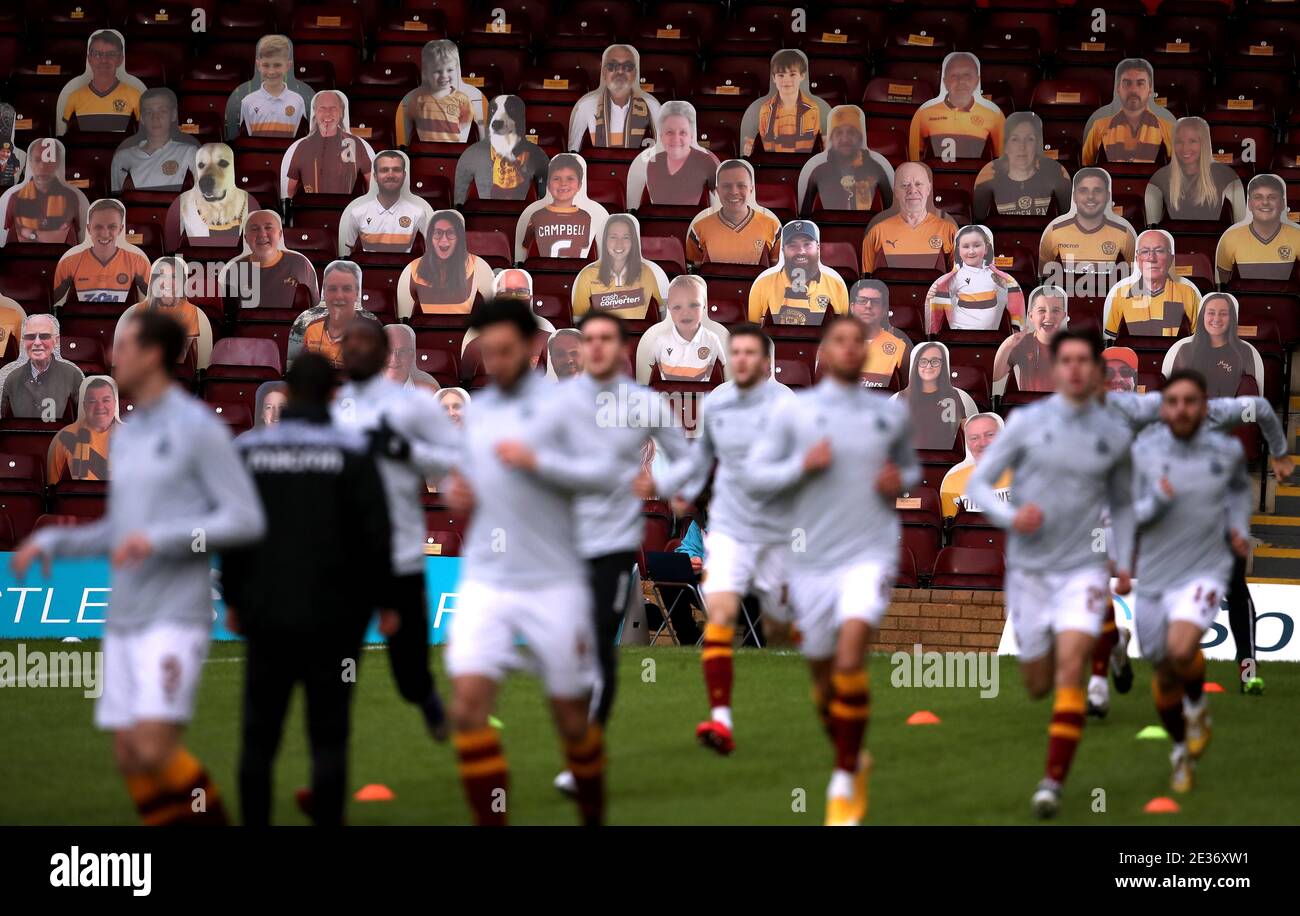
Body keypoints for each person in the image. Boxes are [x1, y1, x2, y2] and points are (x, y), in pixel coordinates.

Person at [9, 310, 266, 825]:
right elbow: (121, 530)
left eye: (123, 346)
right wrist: (55, 540)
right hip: (126, 611)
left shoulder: (198, 429)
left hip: (175, 613)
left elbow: (245, 519)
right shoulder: (130, 435)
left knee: (154, 747)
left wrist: (162, 538)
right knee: (130, 754)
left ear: (150, 355)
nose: (112, 356)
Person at [441, 297, 624, 826]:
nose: (493, 363)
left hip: (553, 580)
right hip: (486, 579)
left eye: (503, 352)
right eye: (487, 353)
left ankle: (592, 810)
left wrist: (539, 462)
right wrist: (463, 493)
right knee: (468, 707)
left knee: (570, 718)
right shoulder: (481, 412)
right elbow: (474, 484)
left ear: (530, 349)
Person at [743, 315, 919, 826]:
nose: (847, 349)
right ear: (823, 351)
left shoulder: (890, 414)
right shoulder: (796, 415)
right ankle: (851, 751)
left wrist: (897, 478)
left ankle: (844, 777)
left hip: (869, 550)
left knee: (848, 659)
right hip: (813, 555)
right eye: (837, 341)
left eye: (855, 342)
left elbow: (909, 468)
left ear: (865, 352)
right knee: (822, 674)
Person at [966, 329, 1136, 819]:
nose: (1078, 369)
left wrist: (1123, 563)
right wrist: (1011, 515)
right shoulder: (1024, 424)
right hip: (1029, 569)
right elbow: (979, 481)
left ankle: (1052, 782)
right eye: (1069, 361)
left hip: (1083, 566)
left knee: (1068, 674)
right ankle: (1115, 640)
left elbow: (1123, 504)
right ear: (1057, 370)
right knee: (1037, 681)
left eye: (1087, 361)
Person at [225, 353, 394, 826]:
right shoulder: (354, 454)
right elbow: (376, 536)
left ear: (289, 395)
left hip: (267, 615)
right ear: (334, 396)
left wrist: (235, 599)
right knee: (329, 735)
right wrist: (384, 602)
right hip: (336, 621)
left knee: (259, 736)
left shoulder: (250, 453)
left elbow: (234, 534)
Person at [549, 311, 691, 798]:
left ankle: (585, 754)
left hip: (610, 543)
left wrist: (658, 481)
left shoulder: (644, 405)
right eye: (588, 339)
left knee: (594, 642)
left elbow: (687, 461)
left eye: (605, 339)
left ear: (621, 347)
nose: (596, 347)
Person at [655, 324, 796, 756]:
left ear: (768, 362)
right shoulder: (718, 401)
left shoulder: (787, 404)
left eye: (751, 353)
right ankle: (721, 718)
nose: (742, 361)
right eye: (735, 353)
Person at [333, 320, 459, 744]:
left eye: (367, 345)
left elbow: (454, 457)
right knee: (336, 667)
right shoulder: (338, 409)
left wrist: (406, 451)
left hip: (401, 551)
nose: (358, 352)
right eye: (351, 344)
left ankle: (428, 702)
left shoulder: (417, 406)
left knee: (409, 668)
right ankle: (328, 760)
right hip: (349, 554)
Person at [1131, 369, 1251, 792]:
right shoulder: (1143, 452)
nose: (1181, 409)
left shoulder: (1227, 452)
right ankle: (1182, 749)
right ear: (1164, 409)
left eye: (1191, 401)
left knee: (1182, 647)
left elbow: (1238, 493)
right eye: (1174, 401)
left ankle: (1197, 705)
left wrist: (1238, 528)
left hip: (1203, 568)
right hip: (1153, 573)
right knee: (1163, 670)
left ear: (1206, 408)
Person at [1038, 168, 1137, 280]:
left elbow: (1133, 279)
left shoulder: (1124, 234)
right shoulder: (1054, 232)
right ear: (1074, 196)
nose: (1090, 196)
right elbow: (1042, 278)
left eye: (1097, 190)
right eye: (1084, 190)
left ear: (1108, 196)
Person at [1145, 117, 1246, 224]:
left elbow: (1239, 228)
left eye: (1192, 141)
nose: (1185, 148)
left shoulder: (1227, 176)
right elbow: (1152, 230)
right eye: (1179, 142)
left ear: (1204, 144)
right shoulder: (1159, 178)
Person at [860, 162, 958, 273]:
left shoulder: (949, 231)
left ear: (929, 189)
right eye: (905, 185)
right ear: (896, 191)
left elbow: (959, 283)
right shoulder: (876, 233)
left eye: (918, 184)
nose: (912, 190)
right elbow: (867, 284)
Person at [1103, 229, 1201, 340]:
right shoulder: (1121, 294)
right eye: (1145, 251)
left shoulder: (1188, 294)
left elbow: (1198, 343)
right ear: (1137, 259)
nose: (1151, 258)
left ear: (1171, 258)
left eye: (1159, 251)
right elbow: (1112, 344)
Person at [925, 224, 1024, 333]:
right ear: (958, 250)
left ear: (986, 248)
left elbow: (1011, 298)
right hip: (961, 332)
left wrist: (1008, 284)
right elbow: (941, 295)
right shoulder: (956, 276)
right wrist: (933, 294)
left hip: (991, 332)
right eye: (966, 246)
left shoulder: (996, 275)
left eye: (976, 245)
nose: (971, 251)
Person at [908, 52, 1005, 162]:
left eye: (967, 75)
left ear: (977, 81)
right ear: (945, 81)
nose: (961, 81)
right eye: (954, 76)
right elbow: (915, 163)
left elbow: (1002, 163)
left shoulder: (995, 115)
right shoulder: (923, 113)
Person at [51, 199, 150, 306]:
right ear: (89, 229)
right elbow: (48, 304)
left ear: (121, 229)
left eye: (112, 227)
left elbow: (157, 302)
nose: (105, 234)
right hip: (85, 322)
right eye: (98, 227)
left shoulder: (138, 262)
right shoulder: (68, 263)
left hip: (123, 322)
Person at [972, 112, 1071, 220]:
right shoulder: (986, 185)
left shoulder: (1058, 180)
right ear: (1005, 146)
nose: (1022, 147)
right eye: (1015, 139)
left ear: (1037, 145)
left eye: (1030, 139)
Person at [749, 220, 849, 325]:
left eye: (807, 244)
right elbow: (753, 336)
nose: (801, 251)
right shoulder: (761, 285)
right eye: (793, 245)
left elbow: (843, 335)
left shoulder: (837, 286)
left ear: (818, 248)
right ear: (783, 250)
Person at [797, 105, 893, 214]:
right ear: (831, 139)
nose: (845, 138)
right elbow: (806, 217)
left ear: (860, 137)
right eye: (838, 132)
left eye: (851, 132)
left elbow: (889, 215)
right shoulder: (819, 172)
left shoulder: (876, 169)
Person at [454, 94, 550, 204]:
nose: (498, 118)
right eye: (494, 109)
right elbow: (459, 205)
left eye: (511, 109)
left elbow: (544, 203)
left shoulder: (538, 155)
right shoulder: (470, 155)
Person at [685, 159, 780, 267]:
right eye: (727, 186)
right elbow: (695, 274)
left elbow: (775, 273)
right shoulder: (698, 229)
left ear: (751, 189)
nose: (734, 192)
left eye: (741, 185)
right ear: (718, 191)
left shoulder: (773, 227)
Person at [571, 214, 667, 320]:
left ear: (633, 241)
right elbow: (579, 322)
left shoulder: (646, 272)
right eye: (613, 237)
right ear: (605, 240)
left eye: (626, 237)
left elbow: (661, 317)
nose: (619, 244)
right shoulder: (587, 275)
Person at [1166, 293, 1262, 398]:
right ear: (1202, 316)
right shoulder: (1185, 350)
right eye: (1211, 313)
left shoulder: (1244, 351)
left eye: (1223, 313)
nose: (1216, 319)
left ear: (1232, 318)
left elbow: (1250, 396)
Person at [515, 154, 608, 261]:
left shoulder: (585, 217)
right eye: (556, 178)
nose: (563, 183)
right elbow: (526, 250)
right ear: (548, 185)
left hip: (574, 273)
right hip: (544, 273)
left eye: (570, 178)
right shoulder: (536, 216)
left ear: (579, 185)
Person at [568, 44, 661, 151]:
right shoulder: (585, 106)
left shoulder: (652, 106)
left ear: (635, 73)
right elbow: (573, 155)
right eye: (612, 66)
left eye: (627, 67)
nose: (620, 72)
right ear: (603, 72)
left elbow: (661, 154)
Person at [625, 101, 719, 208]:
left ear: (691, 136)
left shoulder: (707, 161)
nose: (676, 139)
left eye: (683, 132)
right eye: (669, 132)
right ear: (661, 136)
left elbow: (719, 205)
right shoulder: (652, 163)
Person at [339, 150, 433, 255]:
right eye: (384, 170)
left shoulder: (418, 213)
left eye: (396, 170)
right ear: (375, 176)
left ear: (404, 175)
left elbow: (427, 255)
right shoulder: (357, 213)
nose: (390, 175)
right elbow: (350, 255)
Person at [1081, 58, 1174, 165]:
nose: (1133, 90)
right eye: (1127, 83)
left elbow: (1176, 173)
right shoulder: (1099, 127)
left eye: (1140, 83)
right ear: (1118, 88)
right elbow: (1086, 170)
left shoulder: (1168, 130)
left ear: (1150, 90)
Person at [401, 211, 495, 316]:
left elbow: (491, 320)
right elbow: (404, 323)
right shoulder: (411, 269)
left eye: (451, 233)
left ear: (460, 237)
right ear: (429, 237)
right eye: (438, 233)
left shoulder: (479, 266)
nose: (444, 240)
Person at [282, 90, 374, 198]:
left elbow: (371, 183)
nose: (327, 113)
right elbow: (290, 190)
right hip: (312, 211)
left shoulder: (355, 144)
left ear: (341, 112)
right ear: (315, 113)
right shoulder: (303, 146)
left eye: (333, 108)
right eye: (322, 108)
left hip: (347, 211)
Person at [395, 39, 487, 146]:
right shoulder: (417, 99)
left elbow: (467, 118)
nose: (444, 76)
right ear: (426, 73)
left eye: (449, 70)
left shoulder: (462, 98)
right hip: (427, 151)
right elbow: (409, 119)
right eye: (437, 71)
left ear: (456, 70)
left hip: (453, 149)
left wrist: (456, 130)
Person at [741, 49, 830, 157]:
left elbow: (816, 144)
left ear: (802, 76)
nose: (786, 80)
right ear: (774, 78)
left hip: (803, 165)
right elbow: (763, 144)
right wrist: (751, 147)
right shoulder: (765, 110)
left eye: (792, 74)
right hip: (774, 165)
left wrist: (824, 144)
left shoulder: (813, 109)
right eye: (781, 75)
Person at [0, 138, 88, 246]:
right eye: (37, 160)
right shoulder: (14, 198)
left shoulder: (72, 197)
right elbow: (11, 243)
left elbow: (74, 242)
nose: (42, 166)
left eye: (49, 161)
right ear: (30, 162)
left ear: (58, 163)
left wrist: (30, 234)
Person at [224, 210, 320, 310]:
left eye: (268, 227)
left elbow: (314, 311)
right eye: (254, 229)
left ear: (280, 234)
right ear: (246, 238)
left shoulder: (300, 264)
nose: (262, 234)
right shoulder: (234, 269)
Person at [1215, 174, 1300, 283]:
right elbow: (1223, 288)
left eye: (1272, 197)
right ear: (1249, 204)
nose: (1265, 202)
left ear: (1283, 204)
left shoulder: (1297, 236)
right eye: (1258, 197)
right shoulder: (1229, 238)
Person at [110, 87, 198, 193]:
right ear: (142, 118)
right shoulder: (122, 157)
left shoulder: (190, 153)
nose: (155, 117)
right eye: (149, 112)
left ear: (173, 115)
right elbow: (118, 201)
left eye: (163, 111)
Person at [1, 314, 85, 419]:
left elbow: (84, 423)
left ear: (56, 340)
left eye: (44, 336)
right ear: (24, 341)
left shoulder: (73, 375)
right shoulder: (10, 378)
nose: (37, 342)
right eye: (30, 337)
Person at [58, 30, 142, 135]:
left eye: (111, 54)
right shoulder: (74, 97)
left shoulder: (135, 96)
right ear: (89, 59)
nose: (104, 60)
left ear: (120, 59)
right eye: (97, 54)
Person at [894, 342, 974, 450]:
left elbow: (964, 428)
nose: (929, 366)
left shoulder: (952, 394)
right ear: (916, 365)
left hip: (945, 460)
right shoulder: (903, 396)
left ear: (943, 365)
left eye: (935, 361)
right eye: (923, 361)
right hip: (911, 458)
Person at [298, 261, 378, 367]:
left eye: (347, 289)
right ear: (324, 292)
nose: (339, 296)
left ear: (357, 293)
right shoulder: (312, 329)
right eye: (332, 289)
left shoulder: (370, 334)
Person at [231, 35, 310, 139]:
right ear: (258, 65)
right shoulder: (247, 102)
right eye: (266, 65)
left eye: (277, 65)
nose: (271, 72)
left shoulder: (298, 100)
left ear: (288, 66)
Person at [993, 286, 1069, 394]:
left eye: (1055, 310)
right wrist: (1007, 345)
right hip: (1029, 407)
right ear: (1031, 316)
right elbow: (996, 376)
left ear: (1063, 316)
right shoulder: (1022, 342)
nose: (1048, 316)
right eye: (1041, 310)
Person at [650, 275, 726, 382]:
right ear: (669, 308)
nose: (685, 312)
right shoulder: (660, 341)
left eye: (693, 305)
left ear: (704, 306)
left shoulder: (712, 340)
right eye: (677, 307)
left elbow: (721, 372)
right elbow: (654, 375)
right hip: (668, 397)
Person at [48, 376, 121, 484]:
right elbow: (53, 491)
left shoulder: (133, 437)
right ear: (84, 406)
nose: (99, 407)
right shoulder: (63, 437)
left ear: (115, 403)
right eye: (92, 401)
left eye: (106, 400)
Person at [939, 412, 1009, 519]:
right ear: (967, 444)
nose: (983, 443)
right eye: (974, 438)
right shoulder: (951, 481)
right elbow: (952, 531)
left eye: (990, 435)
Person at [847, 280, 910, 386]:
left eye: (875, 302)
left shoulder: (900, 349)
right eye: (862, 300)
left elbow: (905, 395)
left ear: (884, 310)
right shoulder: (833, 345)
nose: (868, 305)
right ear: (852, 307)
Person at [384, 323, 439, 391]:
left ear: (412, 356)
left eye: (402, 351)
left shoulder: (429, 392)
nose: (394, 359)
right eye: (388, 351)